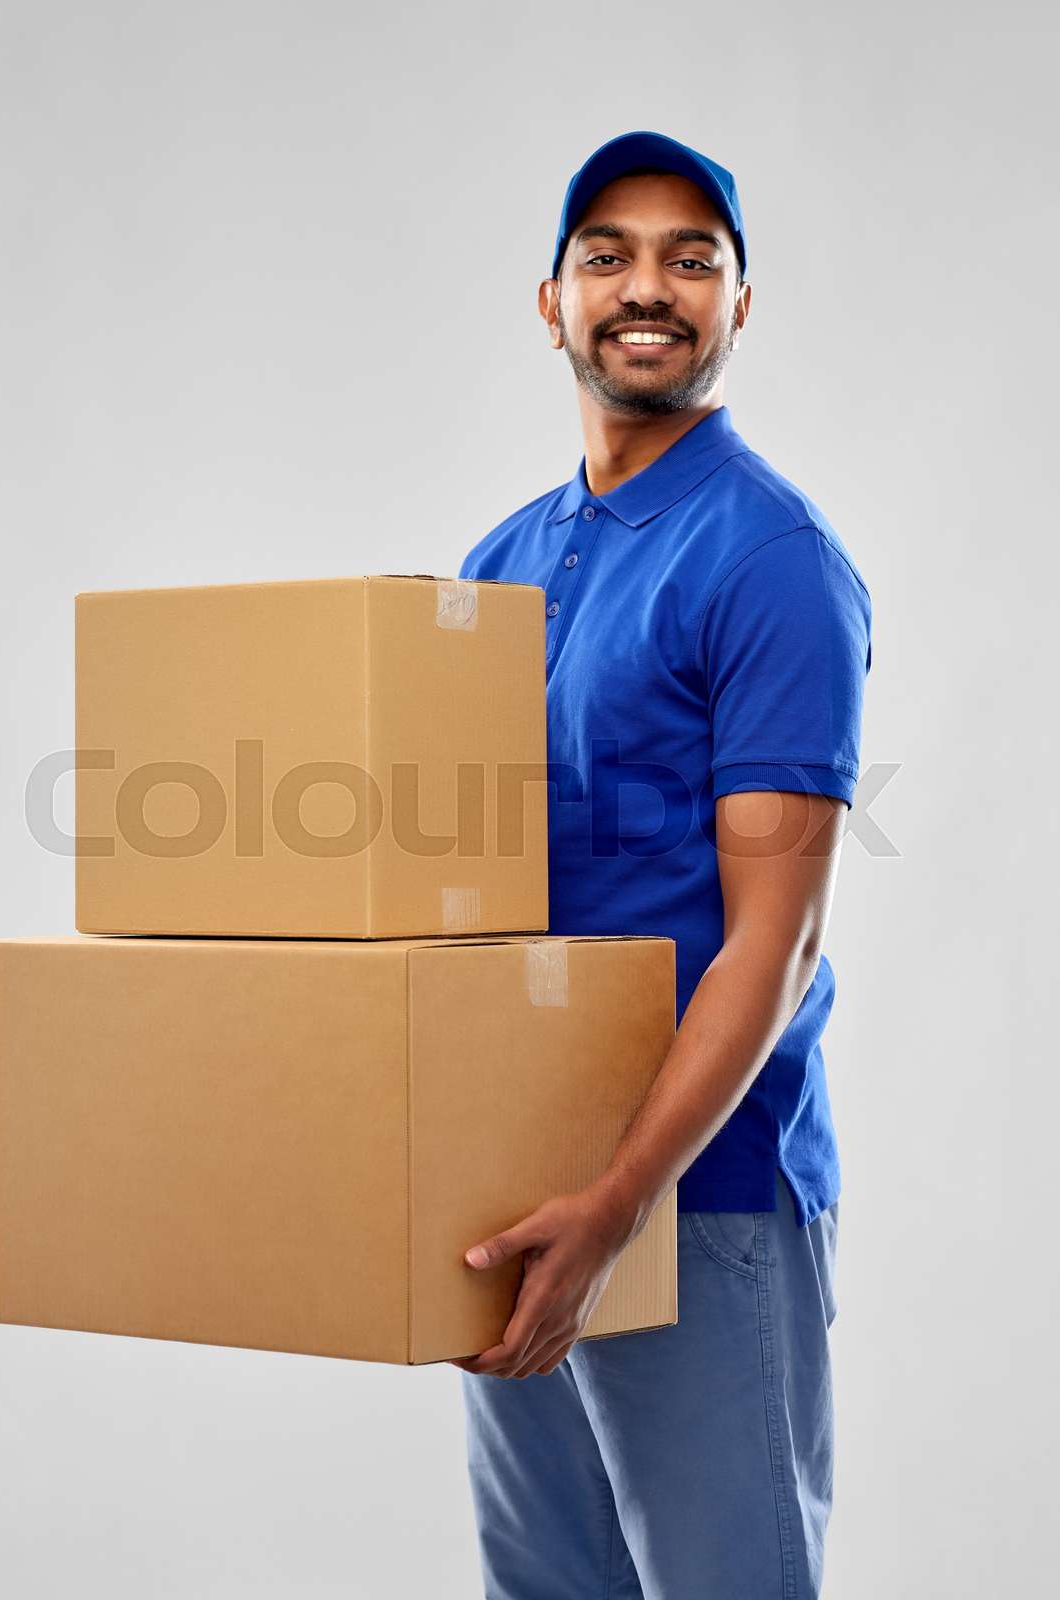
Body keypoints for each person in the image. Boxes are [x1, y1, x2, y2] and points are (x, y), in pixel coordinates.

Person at [449, 130, 872, 1599]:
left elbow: (780, 936)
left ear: (739, 305)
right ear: (551, 299)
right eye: (609, 255)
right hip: (511, 1195)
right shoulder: (501, 563)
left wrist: (622, 1201)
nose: (651, 287)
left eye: (694, 259)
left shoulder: (768, 559)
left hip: (700, 1201)